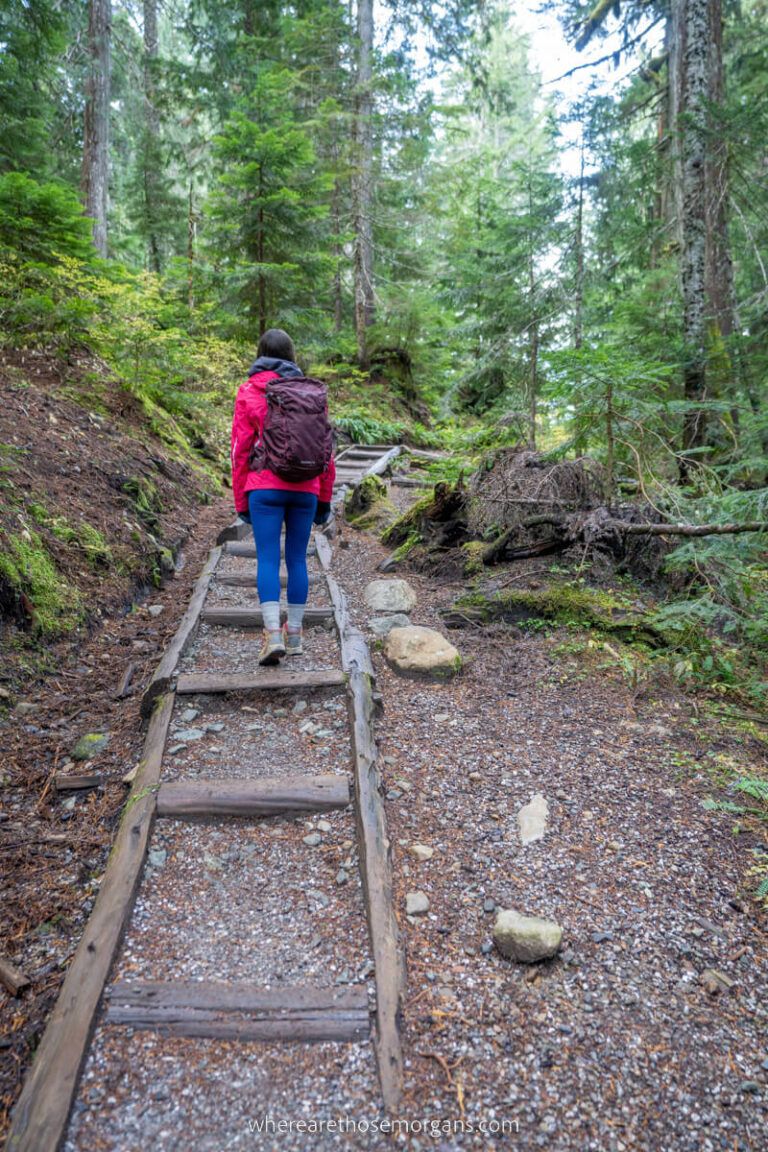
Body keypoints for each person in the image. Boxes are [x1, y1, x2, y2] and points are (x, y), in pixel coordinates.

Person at [230, 328, 335, 665]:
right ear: (292, 355)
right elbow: (326, 449)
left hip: (264, 487)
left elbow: (239, 449)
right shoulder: (311, 393)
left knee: (268, 559)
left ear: (260, 353)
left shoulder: (249, 390)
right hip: (306, 488)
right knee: (298, 559)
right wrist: (325, 497)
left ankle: (273, 634)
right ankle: (296, 635)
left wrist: (240, 500)